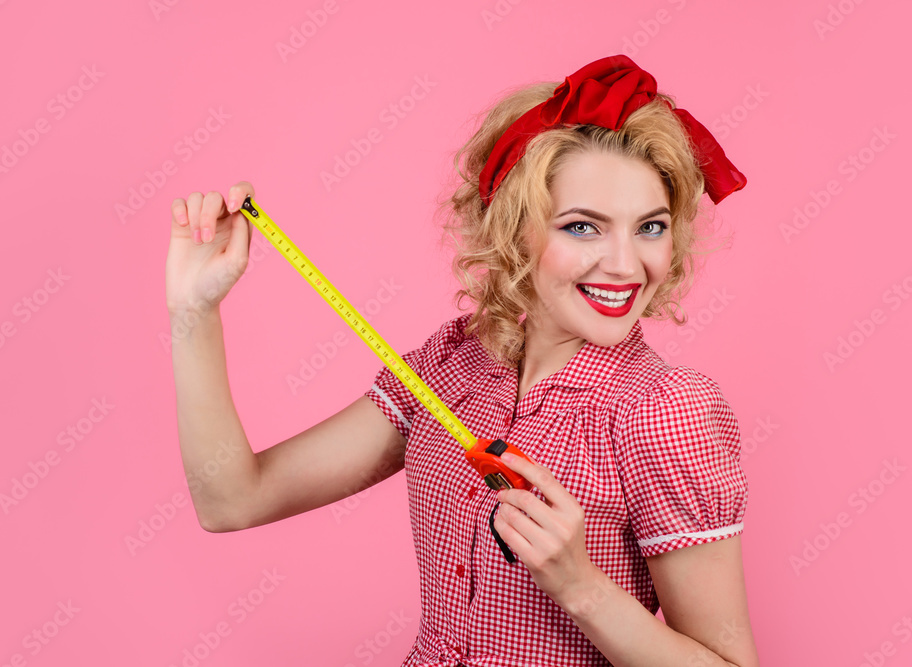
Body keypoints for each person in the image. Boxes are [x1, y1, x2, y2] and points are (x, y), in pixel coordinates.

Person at [165, 55, 759, 667]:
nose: (626, 264)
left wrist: (581, 586)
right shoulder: (452, 365)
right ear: (514, 230)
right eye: (583, 228)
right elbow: (233, 500)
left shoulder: (666, 411)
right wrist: (193, 313)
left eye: (650, 228)